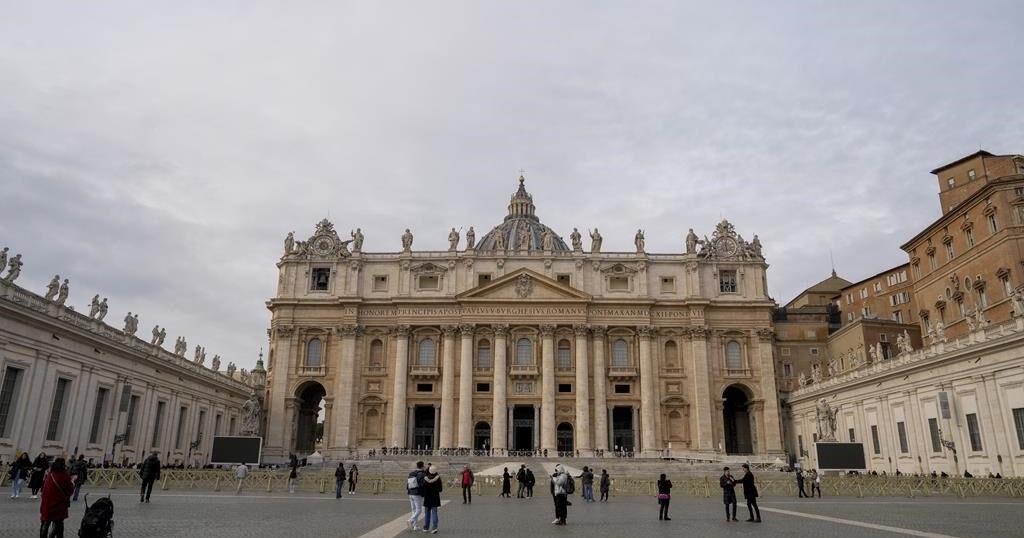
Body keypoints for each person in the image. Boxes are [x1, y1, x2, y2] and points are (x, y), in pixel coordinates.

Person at [39, 457, 73, 538]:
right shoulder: (65, 476)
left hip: (47, 503)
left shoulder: (50, 475)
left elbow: (43, 488)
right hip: (59, 504)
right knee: (59, 524)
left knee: (45, 523)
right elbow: (70, 490)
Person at [422, 465, 443, 534]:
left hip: (427, 497)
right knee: (434, 513)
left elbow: (423, 488)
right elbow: (440, 489)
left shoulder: (425, 478)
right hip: (435, 497)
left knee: (427, 513)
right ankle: (434, 528)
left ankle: (426, 527)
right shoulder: (438, 478)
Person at [407, 461, 426, 531]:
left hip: (410, 492)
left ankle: (415, 526)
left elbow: (408, 483)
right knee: (419, 510)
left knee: (413, 510)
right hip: (417, 493)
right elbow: (422, 485)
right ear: (422, 466)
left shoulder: (411, 473)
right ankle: (411, 520)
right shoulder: (423, 474)